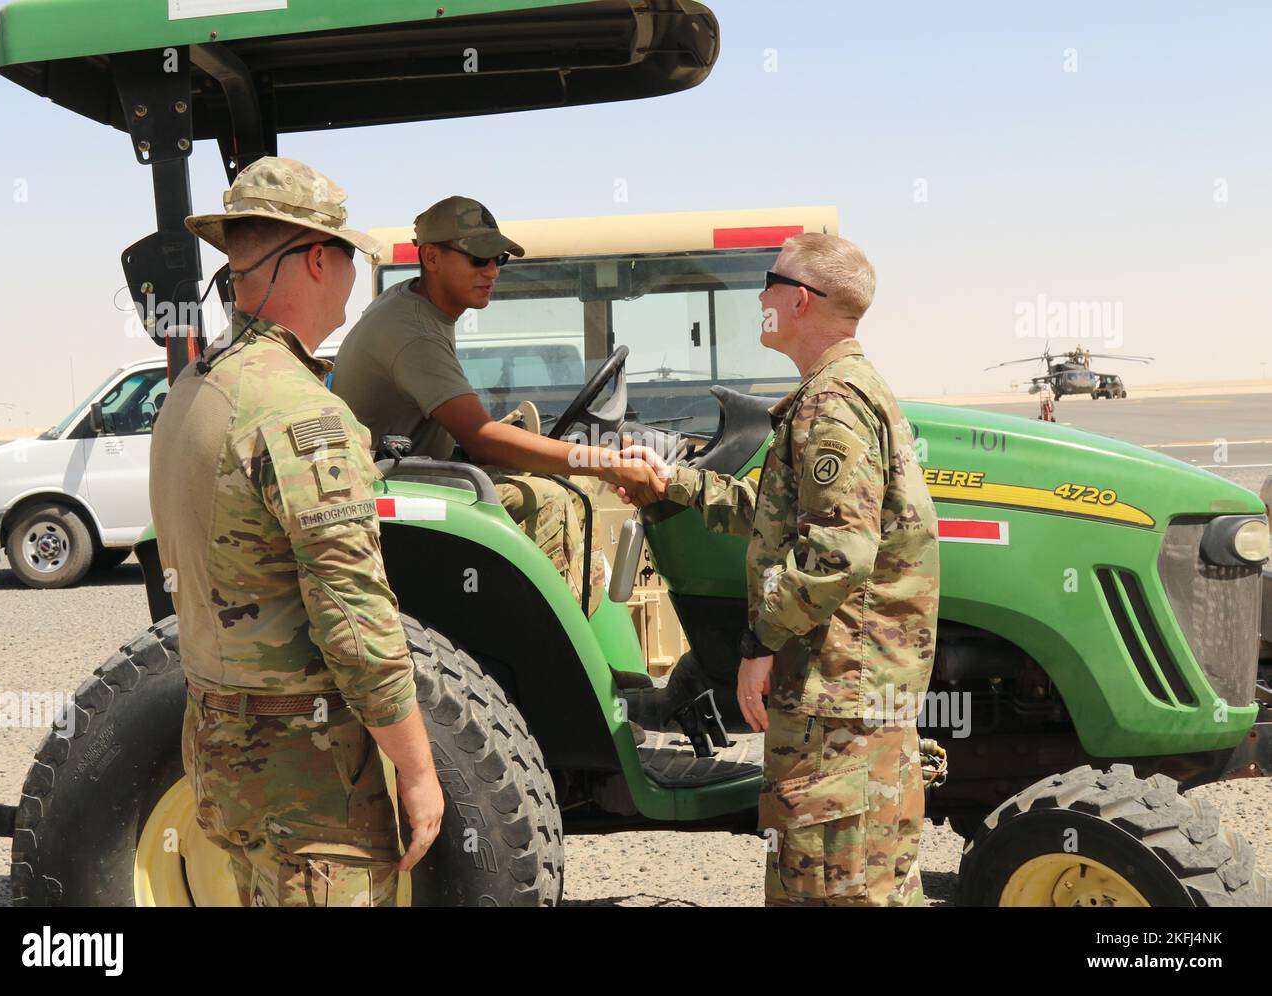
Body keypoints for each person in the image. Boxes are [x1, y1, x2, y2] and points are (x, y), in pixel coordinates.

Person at [150, 156, 443, 907]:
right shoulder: (299, 411)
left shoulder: (194, 387)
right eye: (349, 257)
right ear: (319, 258)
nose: (353, 277)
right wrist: (416, 768)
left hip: (221, 745)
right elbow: (353, 616)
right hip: (305, 777)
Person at [618, 233, 939, 907]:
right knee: (869, 879)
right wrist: (671, 484)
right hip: (854, 692)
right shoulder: (841, 392)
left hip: (835, 694)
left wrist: (758, 644)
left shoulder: (832, 405)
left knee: (830, 886)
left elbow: (837, 553)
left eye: (769, 282)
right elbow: (782, 516)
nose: (759, 296)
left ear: (798, 301)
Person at [332, 196, 664, 614]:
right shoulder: (413, 331)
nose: (491, 270)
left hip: (405, 472)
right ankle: (555, 656)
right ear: (431, 257)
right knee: (555, 499)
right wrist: (605, 461)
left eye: (499, 258)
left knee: (563, 481)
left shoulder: (414, 305)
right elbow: (483, 439)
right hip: (389, 489)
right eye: (478, 258)